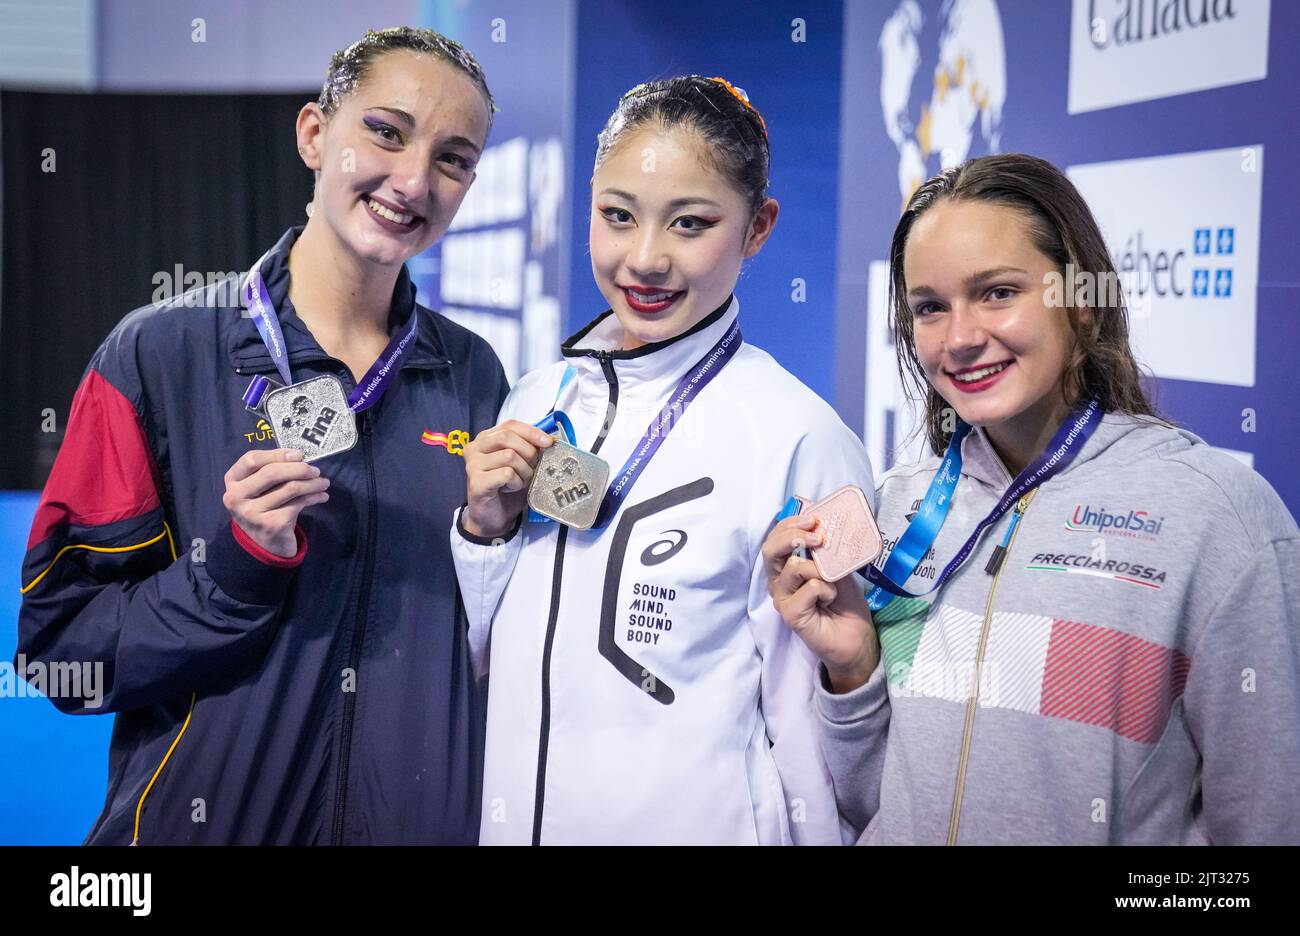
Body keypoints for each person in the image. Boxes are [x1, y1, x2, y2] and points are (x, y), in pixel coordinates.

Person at [16, 27, 507, 844]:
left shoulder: (474, 376)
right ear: (315, 134)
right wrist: (236, 571)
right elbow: (62, 652)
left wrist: (493, 542)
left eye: (453, 159)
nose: (414, 178)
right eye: (385, 131)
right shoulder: (158, 353)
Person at [763, 153, 1300, 845]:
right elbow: (876, 808)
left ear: (1081, 296)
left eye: (997, 293)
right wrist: (853, 667)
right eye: (930, 307)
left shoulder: (1219, 519)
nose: (959, 338)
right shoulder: (896, 509)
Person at [450, 77, 873, 845]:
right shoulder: (538, 399)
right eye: (617, 216)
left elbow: (810, 728)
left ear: (758, 228)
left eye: (690, 223)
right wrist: (485, 530)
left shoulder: (804, 439)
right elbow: (479, 667)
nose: (644, 259)